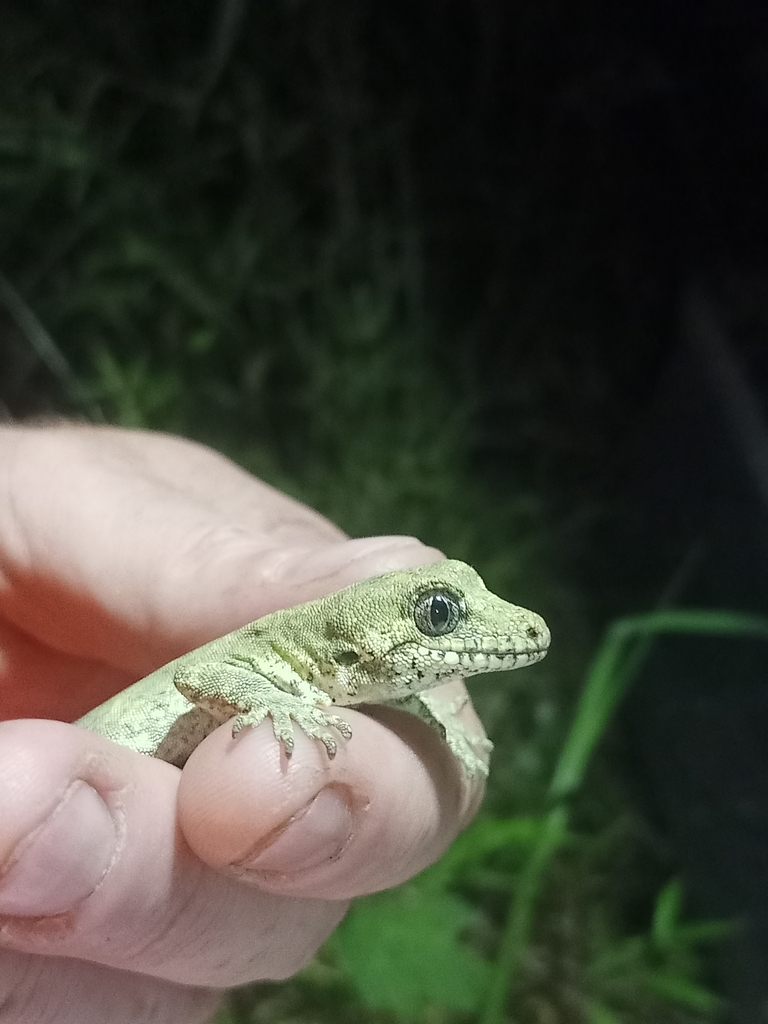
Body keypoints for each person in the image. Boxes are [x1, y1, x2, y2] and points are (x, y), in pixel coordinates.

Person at [0, 424, 489, 1024]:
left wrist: (438, 718)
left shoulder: (325, 668)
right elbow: (199, 682)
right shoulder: (275, 661)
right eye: (439, 614)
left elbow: (374, 685)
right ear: (360, 635)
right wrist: (278, 707)